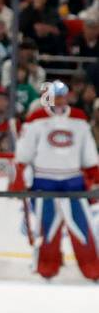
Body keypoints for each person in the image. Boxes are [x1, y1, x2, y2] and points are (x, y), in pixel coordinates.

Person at [10, 80, 99, 280]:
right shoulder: (36, 119)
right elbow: (24, 152)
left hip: (74, 181)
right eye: (55, 97)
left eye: (62, 96)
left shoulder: (78, 119)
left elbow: (88, 151)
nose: (59, 101)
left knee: (81, 226)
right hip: (44, 181)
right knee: (47, 226)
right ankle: (47, 266)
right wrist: (19, 175)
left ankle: (92, 266)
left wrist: (94, 172)